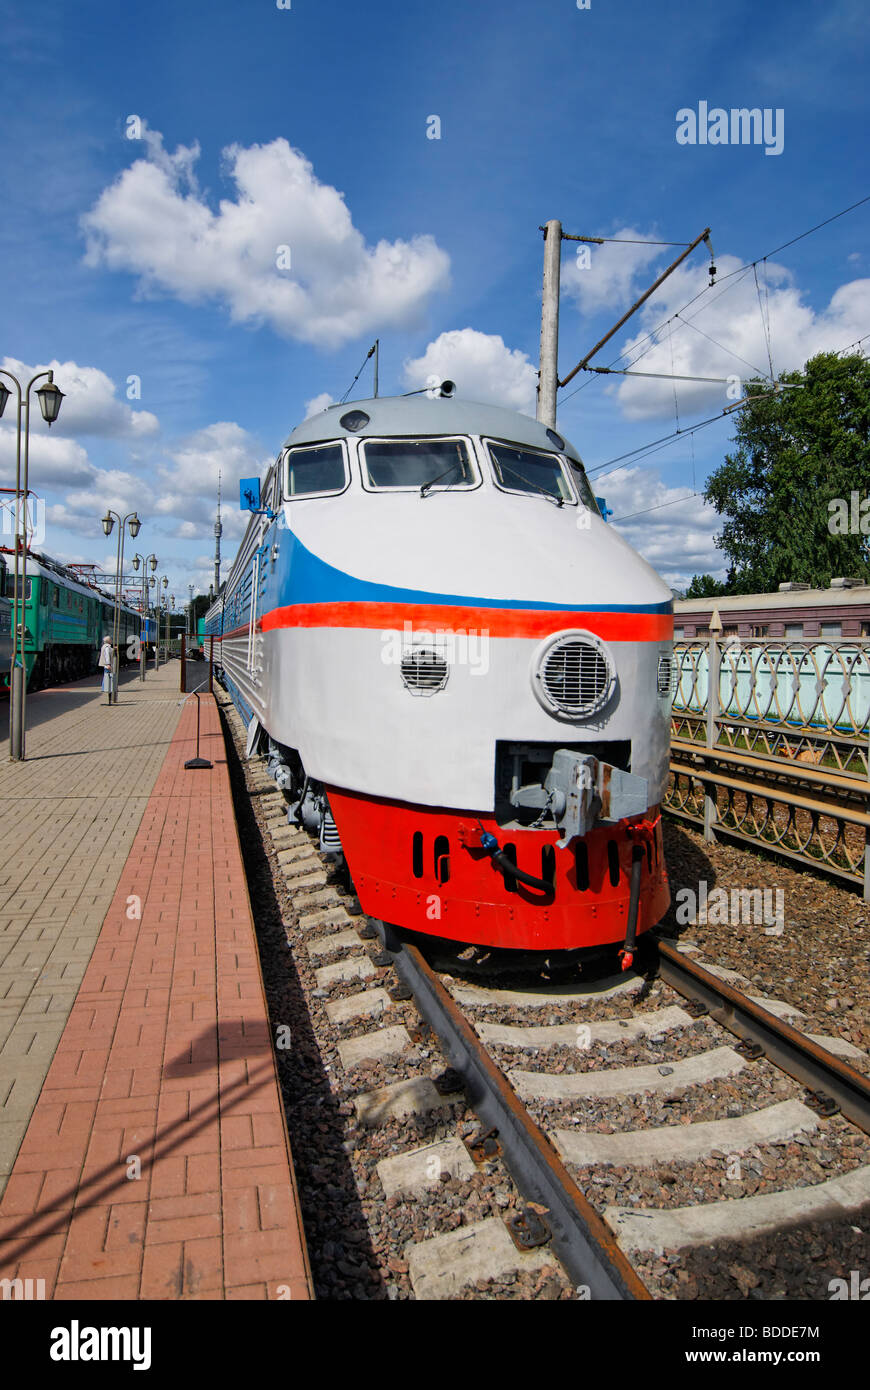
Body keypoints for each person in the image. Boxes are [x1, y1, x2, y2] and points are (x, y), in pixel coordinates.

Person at [99, 635, 114, 700]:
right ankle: (105, 688)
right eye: (111, 639)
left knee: (106, 675)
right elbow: (107, 656)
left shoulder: (104, 646)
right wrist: (108, 664)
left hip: (106, 665)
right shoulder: (107, 647)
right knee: (107, 676)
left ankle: (104, 688)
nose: (111, 640)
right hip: (107, 665)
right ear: (108, 640)